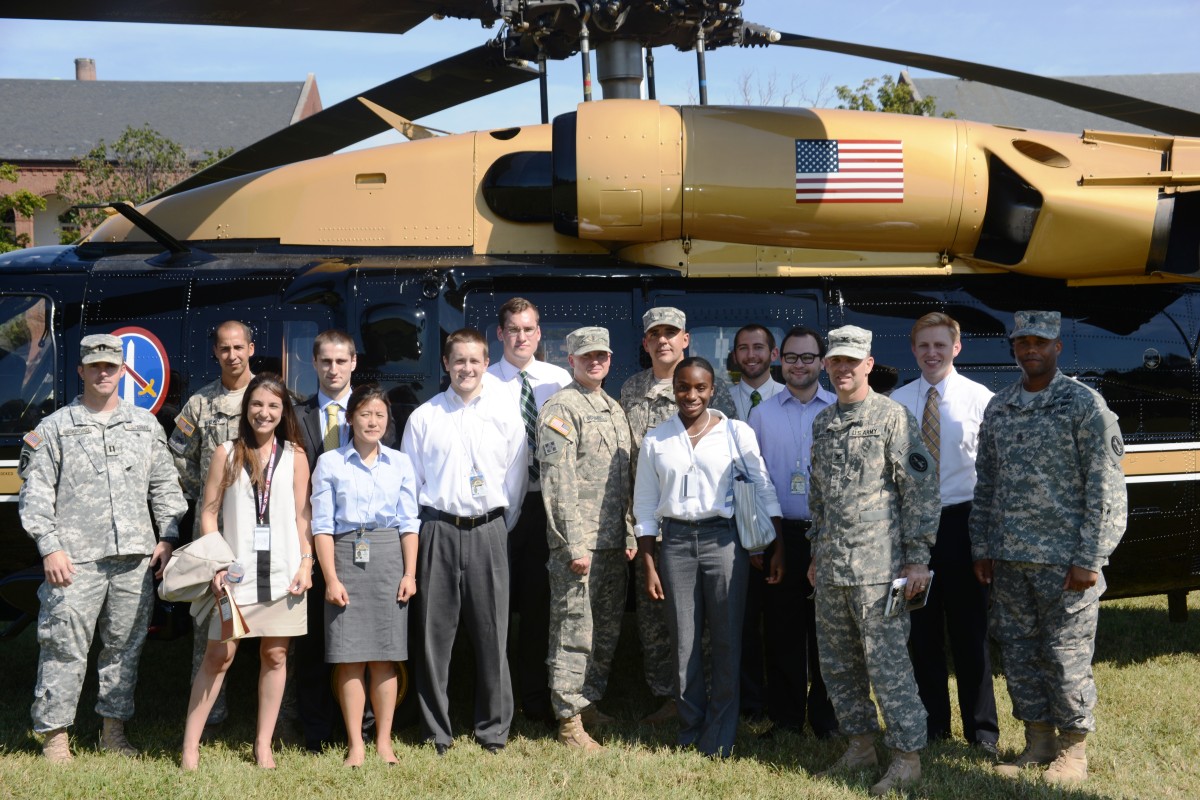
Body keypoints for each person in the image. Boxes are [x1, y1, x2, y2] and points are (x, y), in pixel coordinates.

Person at [970, 310, 1127, 785]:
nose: (1031, 349)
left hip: (1065, 562)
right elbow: (987, 483)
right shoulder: (1000, 407)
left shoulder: (1084, 405)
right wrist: (982, 545)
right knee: (1019, 653)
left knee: (1066, 656)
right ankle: (1038, 742)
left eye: (1040, 341)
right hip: (1010, 560)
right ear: (1014, 349)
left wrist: (1090, 558)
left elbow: (1106, 489)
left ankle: (1073, 753)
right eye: (1023, 342)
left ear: (1058, 347)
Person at [19, 333, 186, 762]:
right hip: (74, 560)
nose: (103, 372)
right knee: (64, 645)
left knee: (124, 647)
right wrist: (50, 547)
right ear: (81, 371)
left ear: (122, 371)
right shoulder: (55, 428)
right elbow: (35, 496)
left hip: (133, 558)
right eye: (95, 366)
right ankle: (55, 737)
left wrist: (167, 537)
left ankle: (113, 732)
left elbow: (166, 486)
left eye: (110, 366)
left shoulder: (144, 425)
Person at [807, 325, 939, 797]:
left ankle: (906, 757)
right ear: (828, 366)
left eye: (851, 361)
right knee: (839, 666)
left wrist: (918, 559)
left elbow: (920, 491)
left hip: (881, 571)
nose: (842, 368)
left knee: (888, 667)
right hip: (834, 570)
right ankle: (860, 745)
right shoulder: (824, 423)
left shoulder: (892, 417)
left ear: (868, 364)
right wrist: (815, 553)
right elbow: (819, 497)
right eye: (835, 361)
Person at [633, 356, 782, 758]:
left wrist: (776, 542)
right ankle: (690, 727)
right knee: (683, 643)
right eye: (683, 387)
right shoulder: (656, 439)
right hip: (676, 544)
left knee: (727, 641)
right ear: (673, 390)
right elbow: (645, 507)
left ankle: (719, 734)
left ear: (712, 389)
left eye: (700, 387)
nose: (691, 395)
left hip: (725, 543)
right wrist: (648, 562)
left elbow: (763, 487)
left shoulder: (736, 432)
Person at [401, 328, 527, 755]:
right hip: (437, 530)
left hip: (490, 530)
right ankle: (436, 731)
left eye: (475, 361)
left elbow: (516, 479)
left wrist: (497, 527)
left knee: (493, 635)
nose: (467, 368)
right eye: (459, 361)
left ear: (485, 362)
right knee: (433, 637)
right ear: (446, 364)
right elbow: (411, 483)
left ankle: (493, 730)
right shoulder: (424, 418)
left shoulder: (506, 415)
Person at [180, 373, 314, 770]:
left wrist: (307, 562)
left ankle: (263, 744)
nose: (264, 412)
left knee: (275, 656)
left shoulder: (296, 456)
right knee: (218, 657)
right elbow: (208, 513)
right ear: (246, 408)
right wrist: (217, 562)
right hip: (235, 578)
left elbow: (302, 514)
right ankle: (190, 745)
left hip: (283, 575)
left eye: (273, 406)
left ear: (283, 412)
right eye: (257, 404)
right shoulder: (226, 452)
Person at [620, 306, 737, 723]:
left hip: (705, 526)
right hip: (652, 523)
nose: (663, 340)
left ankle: (700, 693)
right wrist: (633, 531)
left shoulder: (713, 388)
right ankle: (668, 695)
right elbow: (628, 463)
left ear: (686, 339)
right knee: (655, 618)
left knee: (704, 621)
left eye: (672, 333)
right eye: (655, 334)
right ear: (646, 343)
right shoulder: (630, 390)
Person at [889, 312, 999, 752]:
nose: (931, 353)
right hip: (913, 529)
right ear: (913, 350)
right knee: (922, 635)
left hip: (963, 523)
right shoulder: (896, 402)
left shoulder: (981, 400)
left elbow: (993, 472)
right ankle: (933, 727)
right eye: (923, 346)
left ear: (956, 348)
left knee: (971, 634)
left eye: (940, 345)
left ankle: (983, 733)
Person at [294, 329, 396, 752]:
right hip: (309, 539)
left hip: (365, 546)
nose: (333, 369)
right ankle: (317, 730)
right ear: (313, 364)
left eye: (341, 361)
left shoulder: (379, 414)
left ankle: (369, 730)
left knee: (370, 640)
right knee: (315, 640)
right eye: (325, 361)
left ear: (354, 362)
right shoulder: (295, 415)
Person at [311, 384, 419, 767]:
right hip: (344, 559)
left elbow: (409, 523)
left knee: (386, 658)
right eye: (365, 414)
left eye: (380, 415)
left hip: (389, 557)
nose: (372, 421)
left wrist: (410, 573)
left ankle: (384, 741)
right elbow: (322, 526)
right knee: (350, 657)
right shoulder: (330, 463)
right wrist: (331, 578)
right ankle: (356, 743)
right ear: (350, 418)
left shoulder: (400, 462)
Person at [536, 326, 633, 751]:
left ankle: (589, 702)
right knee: (573, 631)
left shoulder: (613, 407)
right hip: (580, 545)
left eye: (603, 355)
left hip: (612, 542)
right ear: (571, 361)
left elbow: (623, 479)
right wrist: (573, 545)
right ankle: (568, 720)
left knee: (604, 631)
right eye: (587, 356)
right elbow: (557, 482)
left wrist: (628, 532)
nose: (596, 362)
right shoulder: (561, 407)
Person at [745, 326, 838, 739]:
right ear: (781, 359)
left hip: (829, 537)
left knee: (829, 633)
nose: (800, 365)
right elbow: (749, 477)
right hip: (780, 538)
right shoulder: (761, 414)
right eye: (793, 357)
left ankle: (827, 719)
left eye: (809, 357)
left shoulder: (838, 410)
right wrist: (759, 540)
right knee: (782, 631)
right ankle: (785, 720)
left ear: (823, 362)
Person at [486, 298, 571, 725]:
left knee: (539, 607)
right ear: (500, 334)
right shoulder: (483, 383)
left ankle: (535, 699)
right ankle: (496, 700)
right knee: (497, 607)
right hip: (499, 506)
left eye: (529, 329)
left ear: (540, 334)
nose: (522, 337)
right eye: (513, 330)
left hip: (543, 505)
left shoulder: (559, 380)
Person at [170, 319, 256, 729]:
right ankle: (211, 716)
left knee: (272, 624)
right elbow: (178, 461)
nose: (232, 355)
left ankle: (281, 717)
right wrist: (207, 497)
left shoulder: (270, 397)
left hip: (260, 529)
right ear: (216, 352)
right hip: (211, 531)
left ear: (251, 349)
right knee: (209, 623)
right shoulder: (199, 404)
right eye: (225, 349)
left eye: (239, 347)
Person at [730, 323, 784, 722]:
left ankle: (785, 697)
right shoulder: (721, 401)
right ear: (734, 357)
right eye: (744, 349)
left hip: (782, 521)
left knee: (784, 618)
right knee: (743, 622)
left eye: (759, 347)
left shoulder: (788, 398)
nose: (751, 355)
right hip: (733, 527)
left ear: (774, 353)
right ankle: (750, 702)